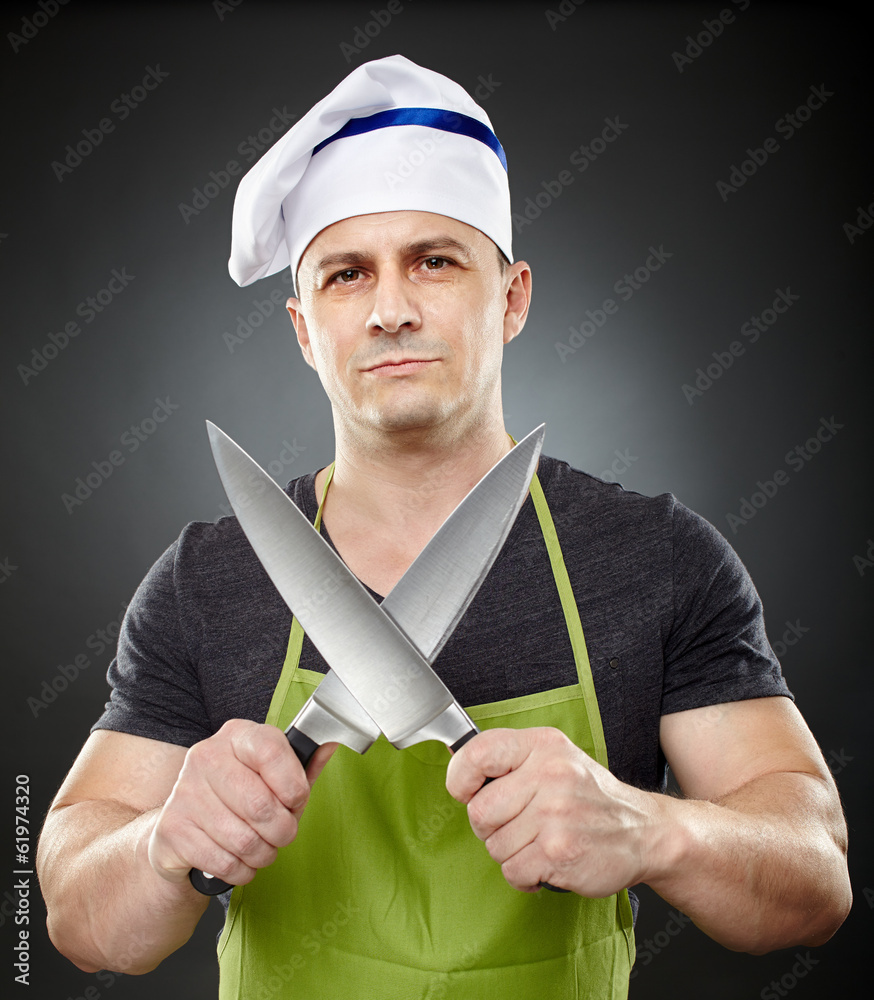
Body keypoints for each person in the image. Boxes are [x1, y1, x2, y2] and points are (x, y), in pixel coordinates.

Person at [37, 55, 850, 998]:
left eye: (434, 260)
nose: (390, 310)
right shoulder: (208, 578)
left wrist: (650, 830)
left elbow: (815, 881)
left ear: (511, 299)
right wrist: (159, 844)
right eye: (347, 275)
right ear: (305, 331)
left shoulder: (658, 559)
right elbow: (73, 916)